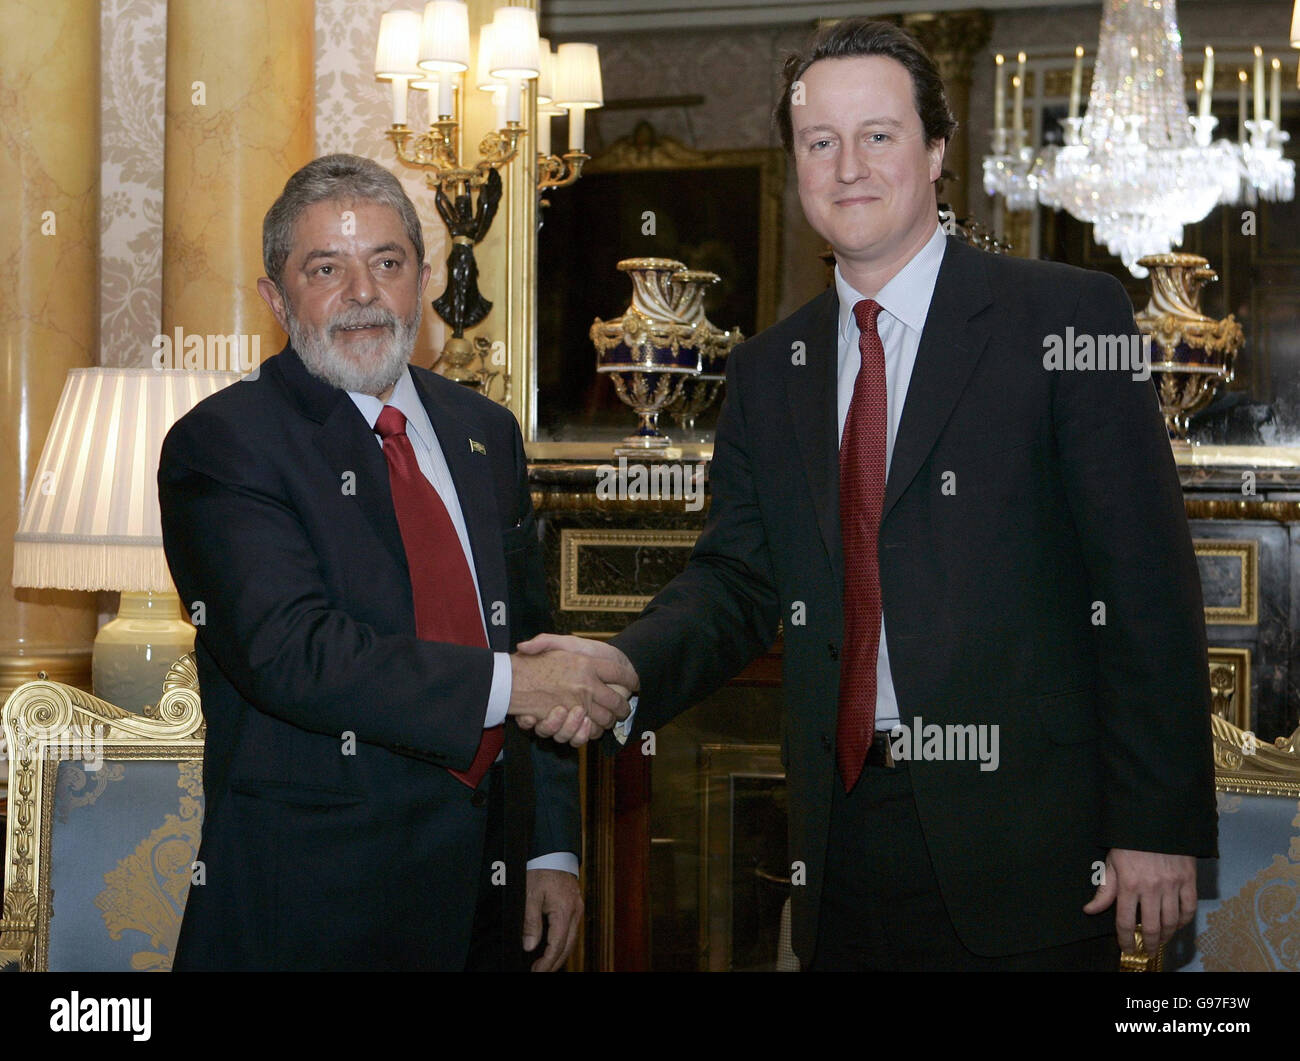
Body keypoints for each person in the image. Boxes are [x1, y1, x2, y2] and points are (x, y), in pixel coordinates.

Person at [520, 19, 1217, 971]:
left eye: (878, 135)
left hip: (1034, 854)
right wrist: (622, 665)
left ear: (937, 149)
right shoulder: (769, 371)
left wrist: (1156, 822)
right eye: (820, 141)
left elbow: (1146, 583)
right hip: (840, 845)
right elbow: (734, 581)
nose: (848, 165)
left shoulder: (1064, 317)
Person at [158, 153, 634, 971]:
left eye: (387, 262)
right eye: (326, 268)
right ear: (276, 297)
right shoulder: (225, 442)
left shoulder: (486, 432)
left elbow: (533, 637)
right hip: (311, 906)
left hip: (490, 902)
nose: (364, 292)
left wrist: (548, 848)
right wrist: (515, 686)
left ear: (422, 280)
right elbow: (292, 653)